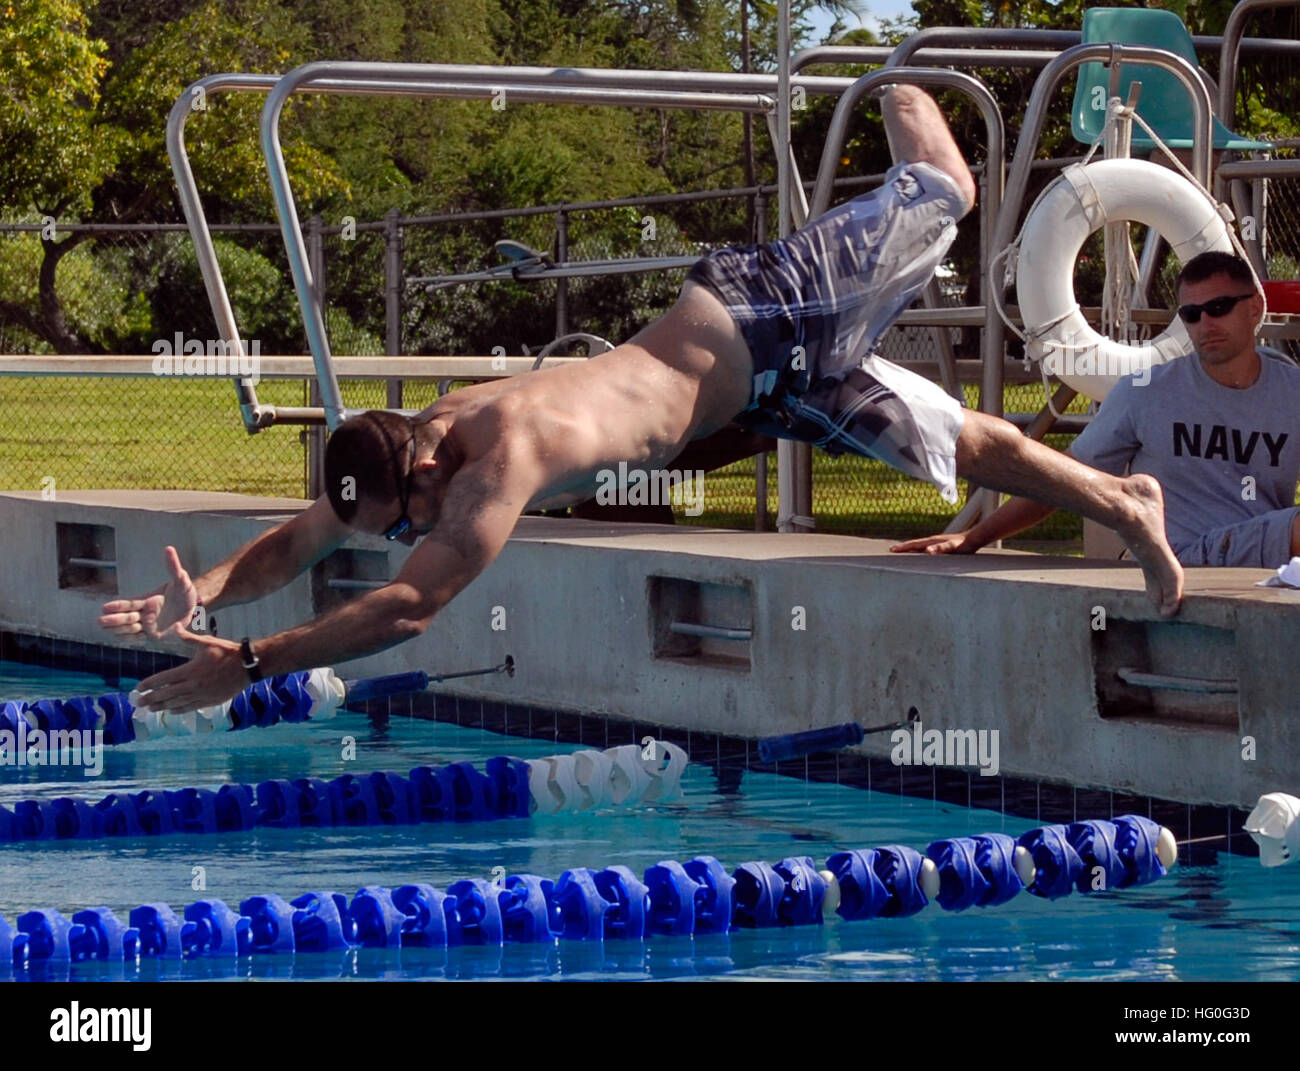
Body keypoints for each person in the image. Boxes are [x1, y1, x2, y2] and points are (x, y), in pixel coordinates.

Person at [100, 86, 1182, 714]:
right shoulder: (391, 452)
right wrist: (198, 591)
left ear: (425, 469)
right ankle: (1125, 503)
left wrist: (248, 664)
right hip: (756, 395)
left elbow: (409, 610)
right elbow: (301, 540)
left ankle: (895, 79)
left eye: (406, 522)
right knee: (962, 446)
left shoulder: (494, 465)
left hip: (764, 317)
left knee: (946, 186)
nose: (406, 539)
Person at [893, 251, 1300, 568]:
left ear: (1255, 310)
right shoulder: (1147, 392)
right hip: (1181, 555)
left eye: (1219, 308)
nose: (1204, 324)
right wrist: (976, 536)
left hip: (1270, 557)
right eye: (1191, 315)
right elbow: (1066, 480)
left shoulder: (1290, 391)